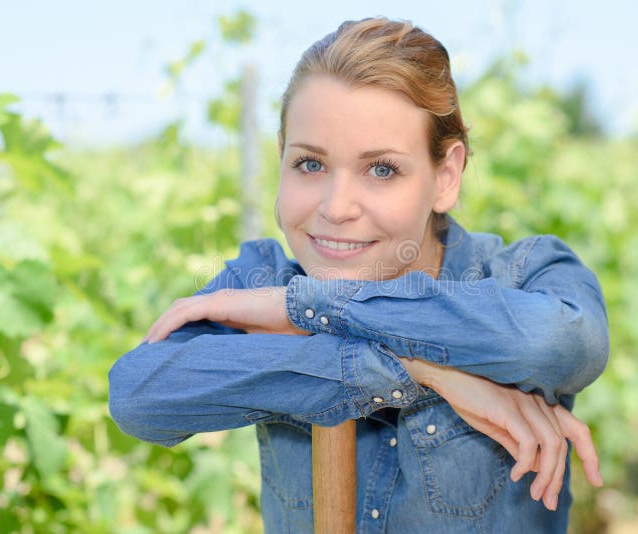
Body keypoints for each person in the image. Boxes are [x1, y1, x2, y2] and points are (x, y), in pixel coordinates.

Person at [108, 16, 609, 533]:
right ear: (281, 156)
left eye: (382, 169)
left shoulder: (524, 277)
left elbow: (560, 345)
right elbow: (140, 394)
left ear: (445, 176)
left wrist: (303, 309)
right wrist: (422, 370)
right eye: (310, 164)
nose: (336, 207)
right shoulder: (260, 275)